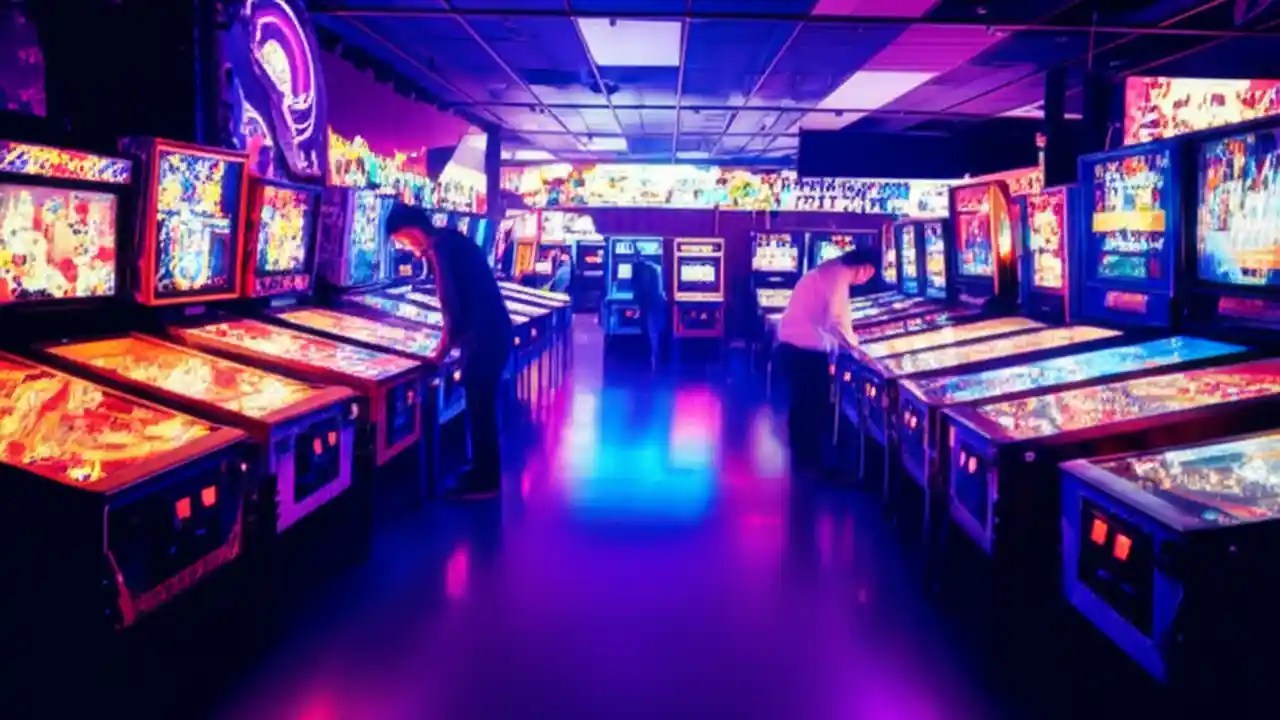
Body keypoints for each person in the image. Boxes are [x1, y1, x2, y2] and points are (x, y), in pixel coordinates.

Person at [387, 206, 513, 499]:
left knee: (480, 408)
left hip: (484, 340)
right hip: (492, 334)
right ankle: (482, 469)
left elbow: (451, 307)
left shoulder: (441, 249)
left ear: (411, 229)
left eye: (403, 239)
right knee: (482, 408)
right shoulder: (452, 240)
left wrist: (437, 356)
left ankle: (485, 481)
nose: (407, 246)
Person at [774, 250, 876, 476]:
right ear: (865, 267)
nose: (867, 278)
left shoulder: (829, 271)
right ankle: (811, 464)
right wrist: (858, 350)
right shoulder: (838, 276)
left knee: (802, 406)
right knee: (812, 406)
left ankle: (803, 460)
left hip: (792, 346)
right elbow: (838, 321)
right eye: (870, 273)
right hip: (804, 350)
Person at [632, 259, 666, 368]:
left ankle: (653, 357)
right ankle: (655, 357)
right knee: (655, 331)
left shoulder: (643, 269)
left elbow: (639, 289)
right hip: (657, 303)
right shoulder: (656, 268)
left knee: (651, 331)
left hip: (650, 304)